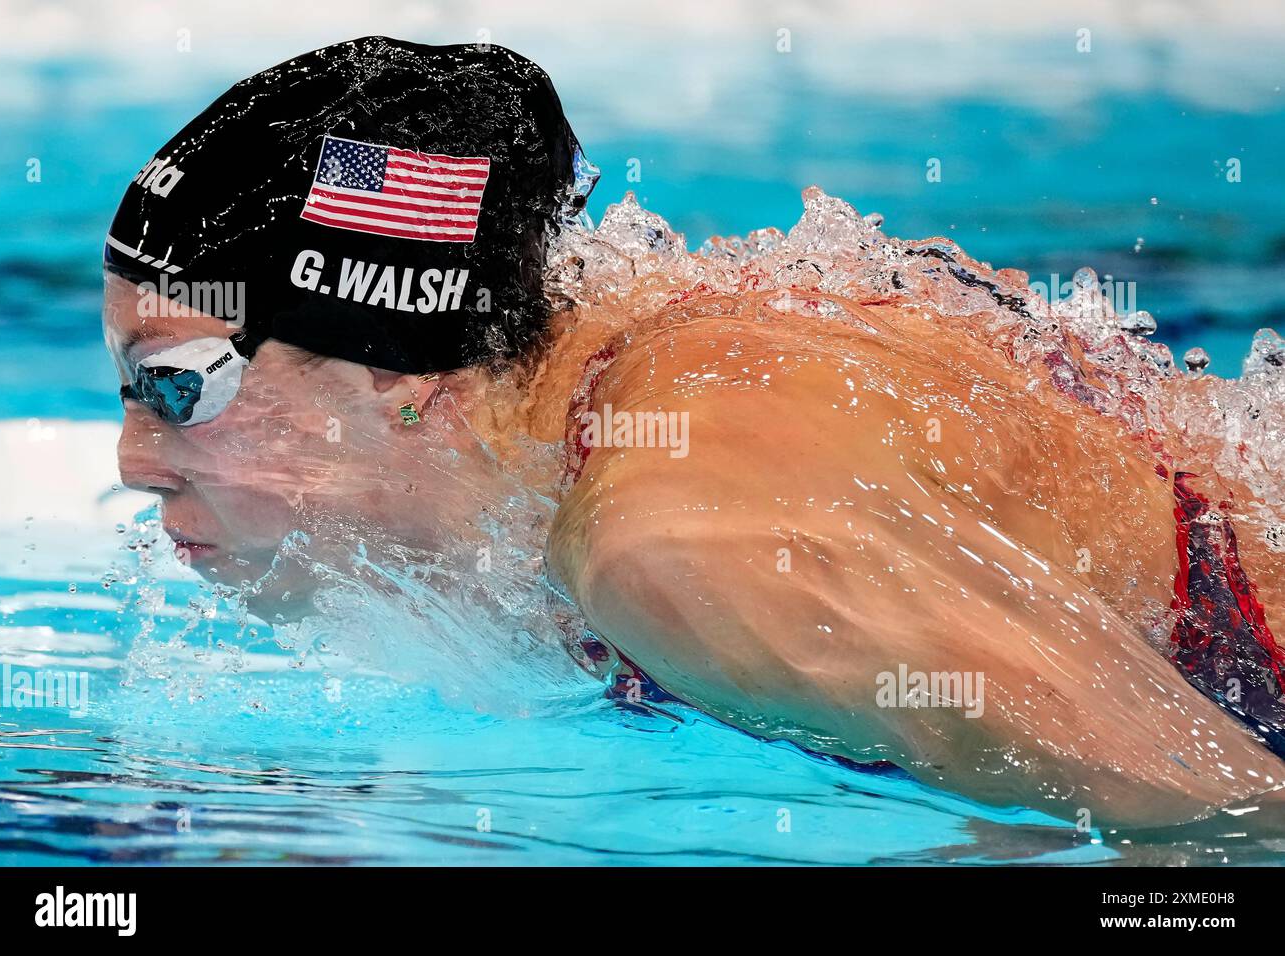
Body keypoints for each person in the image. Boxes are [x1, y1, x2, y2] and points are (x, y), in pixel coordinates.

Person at [105, 36, 1285, 832]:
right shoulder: (580, 402)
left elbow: (1221, 825)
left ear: (402, 374)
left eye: (175, 387)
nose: (131, 460)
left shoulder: (683, 544)